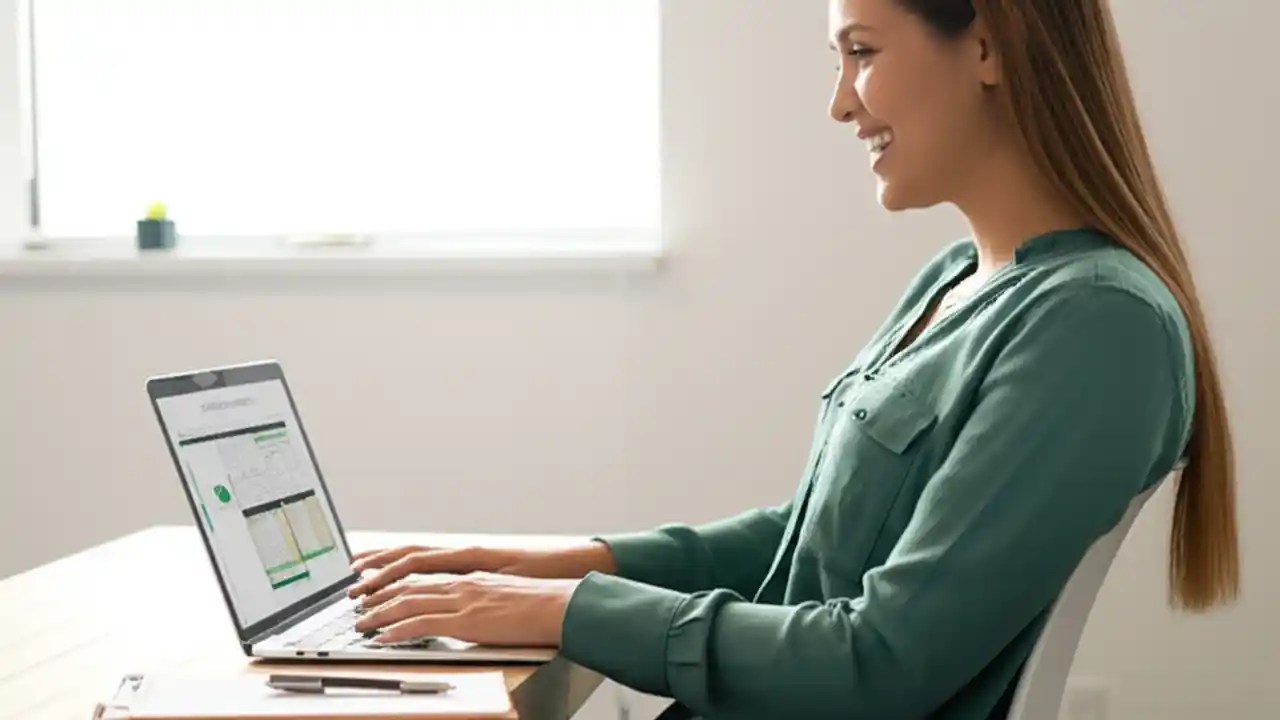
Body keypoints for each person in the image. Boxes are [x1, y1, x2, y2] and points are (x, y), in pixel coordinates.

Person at [347, 0, 1241, 717]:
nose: (840, 101)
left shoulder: (1094, 328)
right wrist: (554, 565)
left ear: (987, 44)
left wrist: (569, 612)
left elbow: (881, 660)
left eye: (861, 51)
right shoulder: (958, 281)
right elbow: (809, 543)